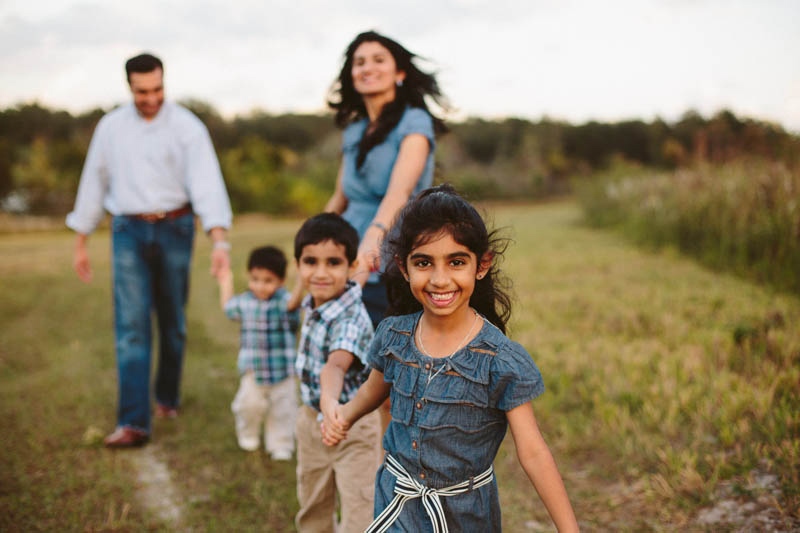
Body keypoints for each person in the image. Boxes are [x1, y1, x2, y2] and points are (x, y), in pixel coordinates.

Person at [321, 185, 579, 532]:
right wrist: (344, 418)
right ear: (404, 266)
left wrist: (570, 529)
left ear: (481, 265)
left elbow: (533, 452)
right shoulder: (393, 335)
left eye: (456, 262)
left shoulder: (500, 360)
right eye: (424, 262)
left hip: (465, 517)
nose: (440, 279)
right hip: (398, 501)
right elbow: (373, 391)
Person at [66, 53, 232, 448]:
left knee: (173, 322)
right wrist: (81, 241)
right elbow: (94, 181)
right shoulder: (111, 128)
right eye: (142, 91)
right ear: (129, 88)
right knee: (131, 327)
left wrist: (219, 241)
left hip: (176, 227)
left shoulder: (188, 127)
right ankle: (133, 422)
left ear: (164, 83)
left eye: (157, 89)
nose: (151, 98)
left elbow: (207, 184)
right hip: (128, 230)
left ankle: (168, 396)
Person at [325, 30, 448, 327]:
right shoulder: (354, 131)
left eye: (379, 60)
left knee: (381, 352)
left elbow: (399, 192)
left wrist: (370, 245)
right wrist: (312, 240)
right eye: (359, 62)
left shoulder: (414, 122)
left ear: (400, 72)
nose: (368, 68)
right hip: (345, 252)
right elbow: (341, 198)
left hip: (390, 249)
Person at [293, 213, 380, 533]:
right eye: (310, 261)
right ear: (298, 264)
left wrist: (330, 404)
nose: (320, 273)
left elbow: (336, 365)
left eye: (332, 263)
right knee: (313, 502)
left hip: (351, 427)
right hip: (310, 421)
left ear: (349, 266)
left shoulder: (350, 318)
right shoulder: (318, 300)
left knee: (359, 508)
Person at [218, 246, 302, 459]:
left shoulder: (284, 301)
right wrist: (225, 279)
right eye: (255, 279)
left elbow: (294, 304)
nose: (260, 286)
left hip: (283, 371)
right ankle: (249, 434)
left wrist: (302, 278)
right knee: (248, 405)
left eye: (268, 280)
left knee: (284, 410)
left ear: (281, 281)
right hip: (253, 371)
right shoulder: (246, 301)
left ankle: (281, 444)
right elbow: (228, 307)